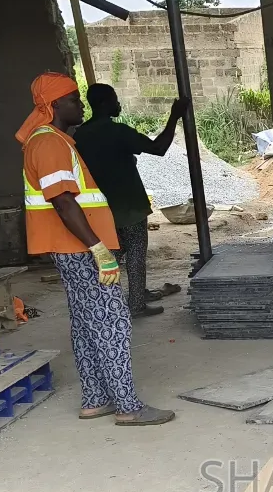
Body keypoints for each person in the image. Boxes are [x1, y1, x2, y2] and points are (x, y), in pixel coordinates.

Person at [18, 72, 174, 426]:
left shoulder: (54, 139)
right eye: (74, 99)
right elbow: (63, 202)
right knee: (111, 321)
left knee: (86, 322)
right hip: (78, 249)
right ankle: (128, 407)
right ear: (55, 105)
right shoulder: (49, 143)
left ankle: (95, 399)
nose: (80, 105)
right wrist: (99, 250)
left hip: (70, 248)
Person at [74, 84, 188, 319]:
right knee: (135, 255)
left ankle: (112, 300)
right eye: (115, 100)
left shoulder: (81, 135)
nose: (118, 105)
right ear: (105, 103)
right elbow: (158, 148)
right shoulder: (117, 131)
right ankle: (136, 304)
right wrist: (174, 116)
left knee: (113, 253)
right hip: (128, 205)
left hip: (99, 209)